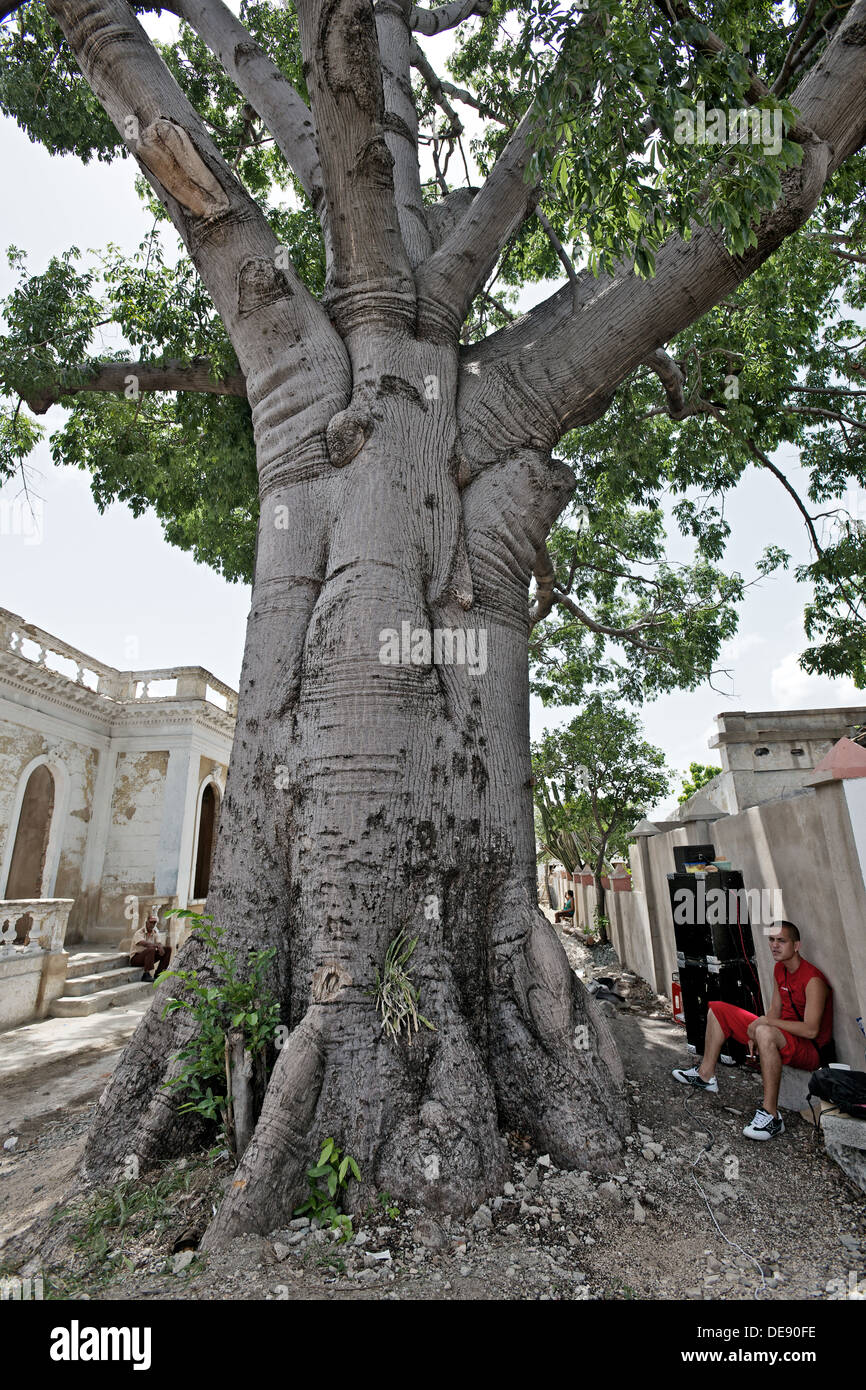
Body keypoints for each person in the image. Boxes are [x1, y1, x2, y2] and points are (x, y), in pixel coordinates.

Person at [672, 920, 832, 1141]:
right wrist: (762, 1026)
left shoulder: (813, 980)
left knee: (764, 1031)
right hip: (783, 1036)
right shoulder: (780, 969)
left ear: (796, 946)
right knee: (717, 1010)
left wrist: (764, 1026)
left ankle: (771, 1116)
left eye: (781, 941)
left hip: (809, 1050)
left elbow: (811, 1030)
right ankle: (705, 1075)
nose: (775, 945)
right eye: (772, 940)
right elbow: (775, 1010)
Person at [130, 914, 172, 982]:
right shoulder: (139, 932)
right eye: (151, 922)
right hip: (136, 959)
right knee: (151, 948)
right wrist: (157, 946)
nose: (152, 924)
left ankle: (159, 973)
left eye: (154, 923)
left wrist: (160, 947)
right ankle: (146, 974)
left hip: (148, 957)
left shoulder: (155, 932)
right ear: (146, 922)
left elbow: (159, 943)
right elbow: (144, 944)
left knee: (168, 949)